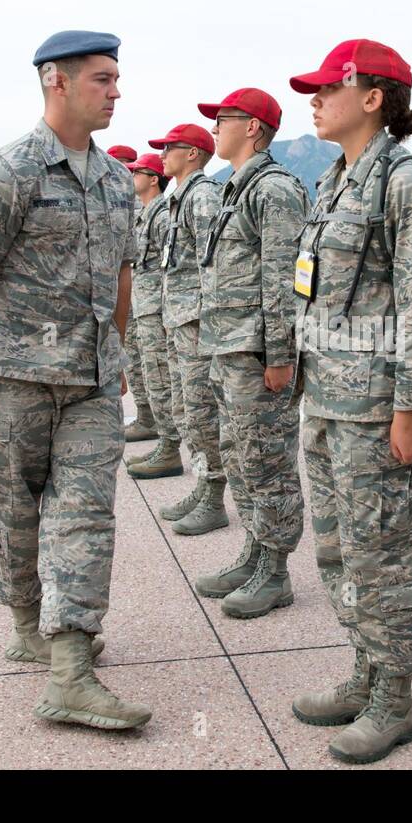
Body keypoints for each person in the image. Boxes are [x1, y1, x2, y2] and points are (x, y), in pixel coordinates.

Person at [0, 29, 151, 731]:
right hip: (16, 377)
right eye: (102, 79)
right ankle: (26, 623)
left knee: (86, 513)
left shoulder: (117, 180)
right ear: (54, 82)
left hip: (92, 381)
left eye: (117, 79)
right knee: (15, 511)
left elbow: (122, 274)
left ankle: (70, 669)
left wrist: (117, 355)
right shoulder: (7, 171)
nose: (116, 91)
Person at [287, 38, 412, 763]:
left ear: (374, 98)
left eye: (329, 87)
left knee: (387, 554)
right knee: (339, 551)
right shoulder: (334, 182)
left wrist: (411, 405)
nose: (315, 99)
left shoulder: (408, 184)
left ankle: (396, 695)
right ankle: (364, 667)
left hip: (380, 411)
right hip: (327, 401)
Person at [191, 88, 307, 618]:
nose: (215, 128)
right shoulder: (236, 189)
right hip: (228, 346)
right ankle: (255, 552)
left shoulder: (274, 190)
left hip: (259, 353)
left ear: (253, 127)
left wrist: (280, 355)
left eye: (223, 119)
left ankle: (276, 571)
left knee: (268, 461)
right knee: (240, 457)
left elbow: (285, 280)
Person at [148, 123, 229, 535]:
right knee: (184, 409)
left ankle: (215, 495)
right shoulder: (180, 198)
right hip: (178, 320)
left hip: (197, 323)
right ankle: (204, 481)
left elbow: (212, 264)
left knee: (200, 410)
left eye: (170, 147)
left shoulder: (203, 197)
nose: (163, 154)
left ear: (193, 153)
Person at [124, 153, 185, 479]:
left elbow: (170, 269)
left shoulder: (161, 215)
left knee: (162, 379)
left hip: (157, 309)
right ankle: (163, 439)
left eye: (139, 172)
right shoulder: (147, 214)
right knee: (150, 375)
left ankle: (169, 447)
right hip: (143, 306)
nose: (133, 176)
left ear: (153, 179)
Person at [108, 143, 156, 443]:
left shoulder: (138, 204)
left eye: (130, 168)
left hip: (142, 296)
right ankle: (145, 415)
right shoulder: (116, 201)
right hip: (129, 294)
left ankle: (150, 419)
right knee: (133, 362)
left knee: (144, 364)